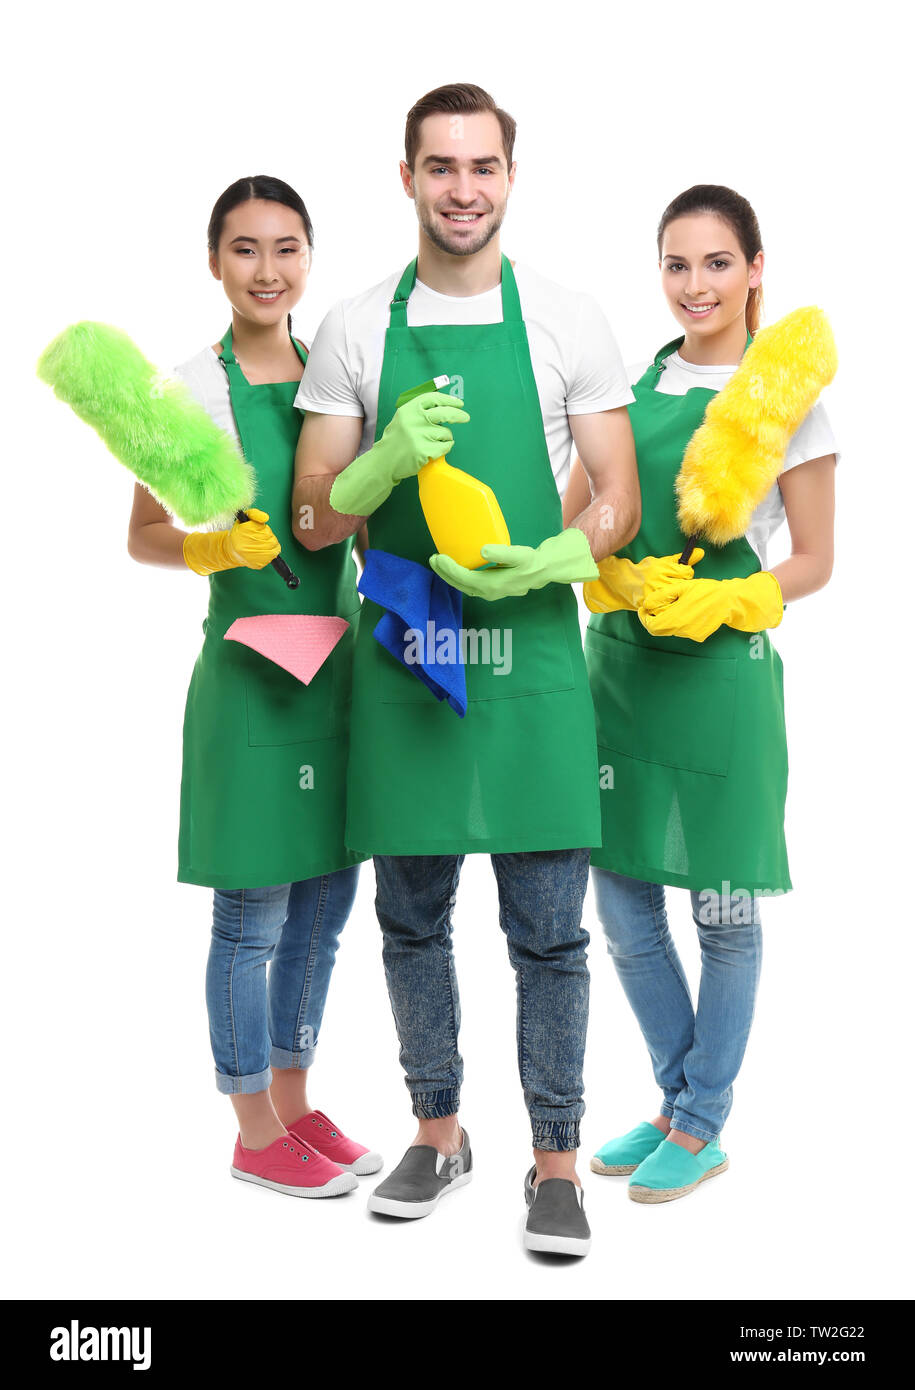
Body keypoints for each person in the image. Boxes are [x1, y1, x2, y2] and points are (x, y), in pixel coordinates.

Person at [292, 84, 639, 1256]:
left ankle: (556, 1160)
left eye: (481, 166)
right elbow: (309, 518)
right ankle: (439, 1132)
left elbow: (619, 499)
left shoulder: (565, 317)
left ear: (509, 175)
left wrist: (558, 551)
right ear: (406, 178)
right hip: (411, 653)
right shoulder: (350, 327)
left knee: (549, 929)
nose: (462, 189)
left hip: (531, 652)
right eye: (440, 167)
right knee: (412, 917)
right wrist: (376, 464)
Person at [562, 184, 838, 1204]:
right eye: (676, 265)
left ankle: (702, 1116)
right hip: (622, 680)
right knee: (625, 907)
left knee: (721, 910)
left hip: (722, 683)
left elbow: (815, 559)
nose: (696, 286)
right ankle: (682, 1103)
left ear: (755, 268)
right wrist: (607, 573)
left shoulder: (784, 404)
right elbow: (580, 517)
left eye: (718, 263)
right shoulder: (629, 389)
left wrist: (727, 606)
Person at [127, 175, 381, 1198]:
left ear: (309, 257)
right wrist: (209, 546)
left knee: (326, 902)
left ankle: (293, 1095)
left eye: (286, 248)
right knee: (252, 915)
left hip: (341, 670)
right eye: (245, 249)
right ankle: (246, 1123)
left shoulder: (342, 376)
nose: (267, 271)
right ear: (213, 261)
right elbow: (141, 533)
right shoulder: (186, 391)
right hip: (247, 678)